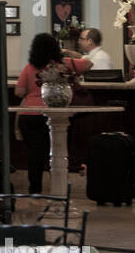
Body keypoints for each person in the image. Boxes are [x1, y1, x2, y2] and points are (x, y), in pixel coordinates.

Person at [14, 32, 91, 195]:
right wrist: (67, 53)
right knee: (57, 152)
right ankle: (58, 189)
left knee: (34, 155)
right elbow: (88, 64)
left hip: (29, 115)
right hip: (54, 115)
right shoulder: (64, 64)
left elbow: (19, 92)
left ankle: (35, 189)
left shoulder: (29, 67)